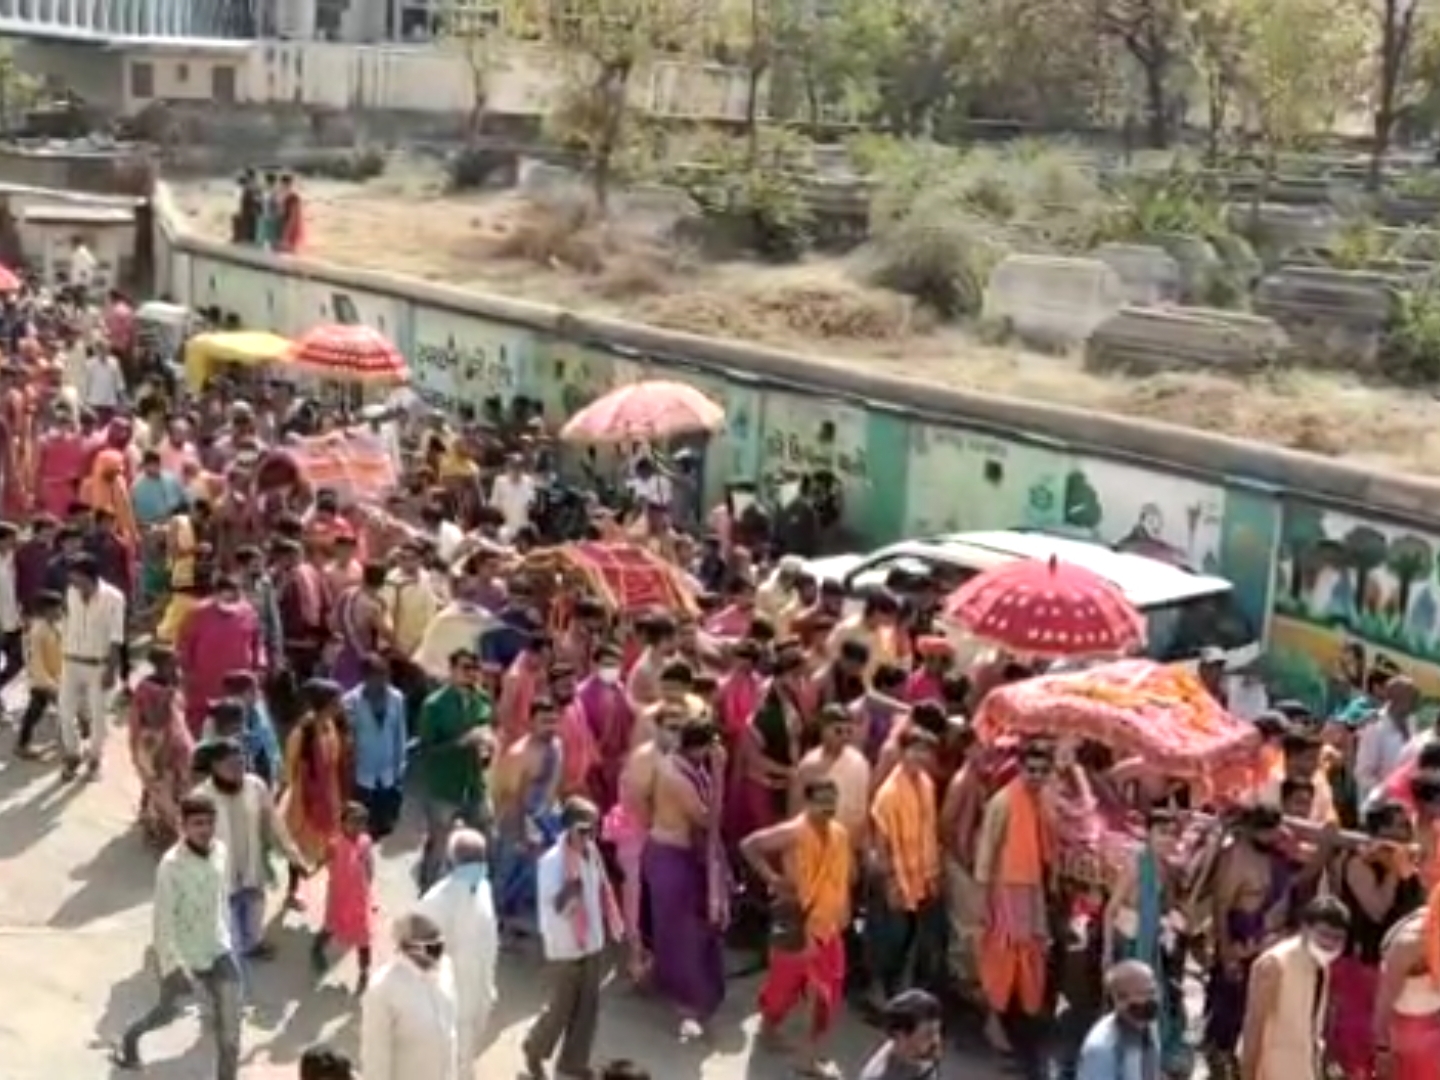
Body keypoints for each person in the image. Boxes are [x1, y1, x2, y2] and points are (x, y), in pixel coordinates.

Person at [111, 793, 243, 1078]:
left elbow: (222, 898)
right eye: (197, 824)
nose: (205, 830)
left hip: (219, 950)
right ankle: (131, 1042)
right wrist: (173, 968)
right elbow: (162, 924)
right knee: (166, 1013)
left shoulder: (220, 851)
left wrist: (229, 936)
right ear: (183, 826)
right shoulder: (170, 867)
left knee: (230, 1035)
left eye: (209, 823)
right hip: (185, 957)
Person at [743, 777, 852, 1079]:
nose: (828, 807)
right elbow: (749, 846)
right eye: (821, 801)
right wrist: (773, 879)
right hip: (795, 918)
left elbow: (841, 879)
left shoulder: (839, 835)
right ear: (807, 803)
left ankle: (808, 1057)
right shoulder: (793, 832)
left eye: (832, 800)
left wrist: (842, 912)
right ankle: (768, 1029)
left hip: (826, 923)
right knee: (782, 987)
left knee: (823, 991)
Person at [524, 797, 623, 1080]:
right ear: (567, 828)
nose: (590, 836)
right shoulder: (552, 863)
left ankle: (573, 1062)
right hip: (566, 947)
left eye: (594, 830)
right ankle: (535, 1047)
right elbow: (552, 909)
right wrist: (570, 892)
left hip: (592, 942)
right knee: (560, 1008)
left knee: (588, 1008)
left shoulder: (591, 853)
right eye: (583, 830)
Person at [1239, 895, 1351, 1080]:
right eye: (1324, 934)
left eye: (1337, 938)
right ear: (1305, 929)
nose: (1330, 944)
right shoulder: (1275, 965)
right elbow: (1253, 1026)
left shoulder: (1322, 966)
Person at [416, 827, 500, 1069]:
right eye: (472, 860)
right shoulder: (436, 901)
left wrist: (488, 988)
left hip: (476, 995)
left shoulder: (484, 888)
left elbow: (489, 939)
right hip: (445, 1001)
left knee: (464, 1060)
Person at [414, 649, 493, 893]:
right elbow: (426, 750)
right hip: (443, 786)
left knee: (485, 834)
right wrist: (461, 742)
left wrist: (487, 751)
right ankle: (428, 891)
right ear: (452, 670)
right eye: (465, 668)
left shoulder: (483, 700)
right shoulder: (434, 705)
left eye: (474, 669)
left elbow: (487, 730)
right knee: (439, 842)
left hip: (474, 783)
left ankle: (474, 888)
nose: (470, 674)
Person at [360, 911, 462, 1080]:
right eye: (433, 949)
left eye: (441, 946)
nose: (440, 956)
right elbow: (375, 1057)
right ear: (410, 948)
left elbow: (450, 1032)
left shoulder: (446, 970)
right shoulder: (383, 990)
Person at [57, 552, 126, 781]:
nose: (73, 583)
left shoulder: (114, 597)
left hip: (98, 664)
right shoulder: (71, 593)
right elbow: (68, 623)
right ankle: (72, 754)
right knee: (65, 712)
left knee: (98, 716)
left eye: (76, 578)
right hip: (71, 660)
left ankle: (95, 758)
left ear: (90, 576)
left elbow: (117, 637)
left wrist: (111, 669)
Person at [312, 801, 376, 993]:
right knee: (331, 927)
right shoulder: (334, 844)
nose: (357, 826)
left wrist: (369, 890)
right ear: (342, 823)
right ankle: (316, 949)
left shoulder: (365, 841)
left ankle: (364, 972)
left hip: (358, 899)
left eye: (361, 822)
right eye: (352, 822)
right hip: (339, 897)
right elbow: (321, 861)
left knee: (364, 938)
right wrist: (310, 870)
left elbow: (369, 865)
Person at [342, 654, 408, 838]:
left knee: (386, 824)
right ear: (365, 678)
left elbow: (400, 734)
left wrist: (400, 767)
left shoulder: (397, 698)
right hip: (363, 773)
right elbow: (348, 738)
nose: (382, 682)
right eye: (376, 677)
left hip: (388, 773)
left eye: (384, 676)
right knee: (361, 824)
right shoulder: (350, 701)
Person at [1074, 959, 1162, 1080]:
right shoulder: (1101, 1048)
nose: (1152, 999)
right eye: (1142, 993)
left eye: (1153, 991)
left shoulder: (1148, 1024)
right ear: (1120, 1000)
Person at [13, 588, 62, 758]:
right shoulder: (37, 631)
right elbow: (36, 661)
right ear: (47, 610)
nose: (60, 611)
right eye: (57, 608)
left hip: (54, 677)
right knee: (36, 711)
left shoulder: (53, 626)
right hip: (43, 680)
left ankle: (23, 744)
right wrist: (49, 685)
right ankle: (22, 745)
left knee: (39, 710)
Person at [857, 988, 945, 1080]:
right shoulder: (877, 1074)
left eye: (937, 1031)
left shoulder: (924, 1064)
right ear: (900, 1036)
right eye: (928, 1034)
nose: (936, 1040)